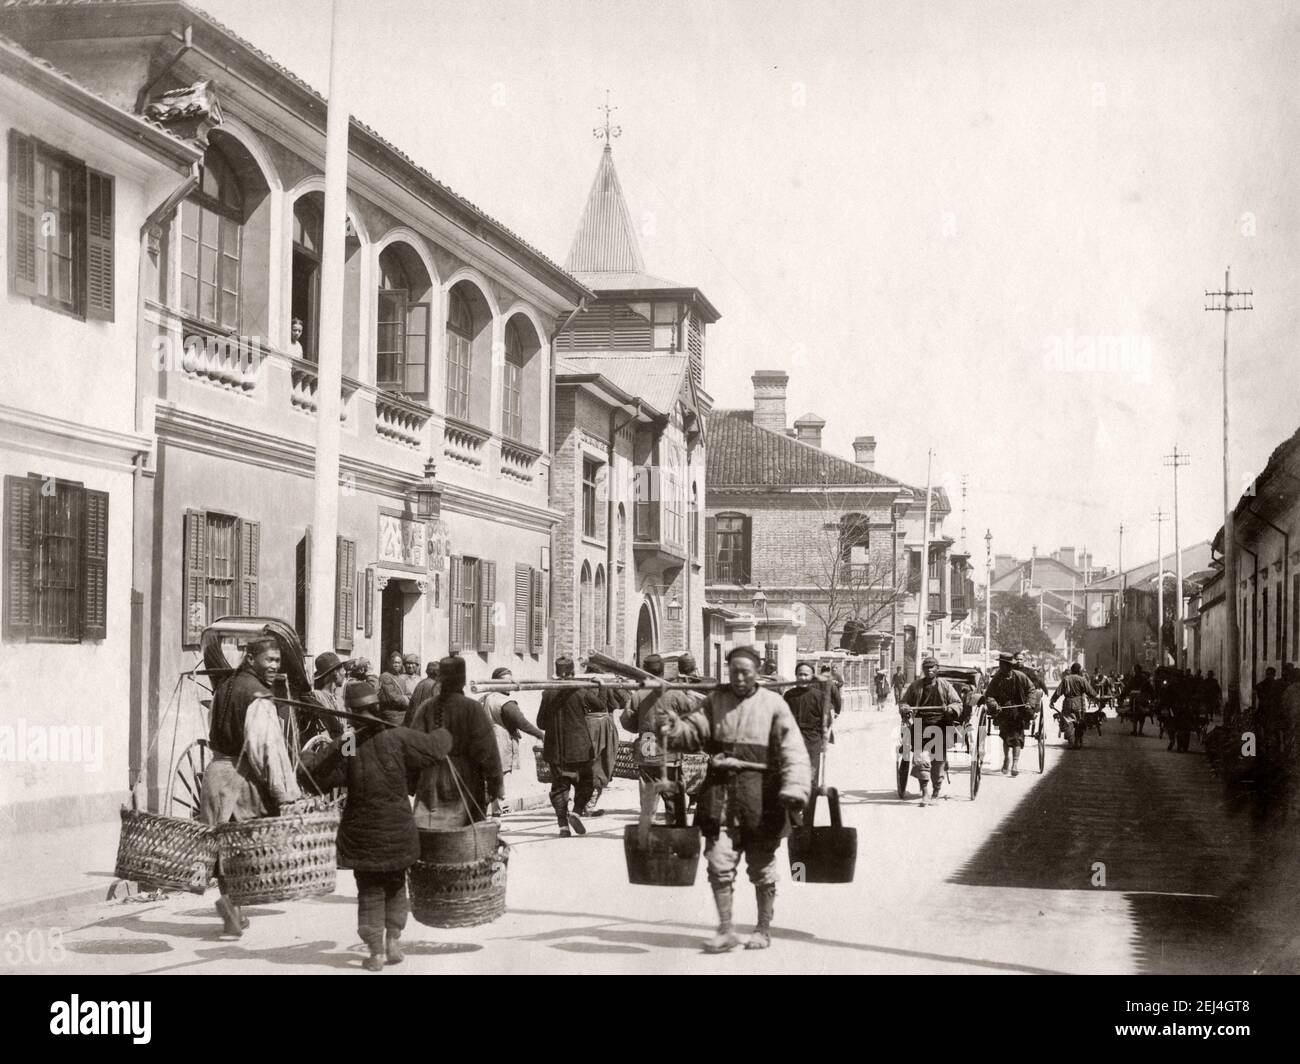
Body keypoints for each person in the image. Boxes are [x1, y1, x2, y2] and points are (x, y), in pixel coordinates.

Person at [654, 645, 810, 952]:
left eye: (745, 673)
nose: (738, 679)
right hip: (720, 795)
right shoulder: (716, 702)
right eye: (733, 672)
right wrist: (673, 728)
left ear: (757, 672)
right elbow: (693, 733)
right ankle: (725, 929)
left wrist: (796, 787)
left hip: (761, 797)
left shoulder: (774, 704)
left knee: (761, 866)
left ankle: (763, 928)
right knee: (718, 863)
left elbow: (794, 752)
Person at [299, 682, 453, 971]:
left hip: (363, 833)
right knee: (395, 884)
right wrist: (444, 729)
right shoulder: (397, 736)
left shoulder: (350, 742)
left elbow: (315, 776)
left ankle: (375, 951)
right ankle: (393, 939)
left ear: (351, 712)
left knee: (369, 889)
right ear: (377, 707)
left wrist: (306, 755)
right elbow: (436, 749)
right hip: (399, 830)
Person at [199, 632, 303, 939]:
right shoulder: (258, 697)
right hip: (240, 780)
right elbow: (266, 748)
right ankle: (232, 908)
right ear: (251, 658)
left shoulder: (222, 688)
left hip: (215, 775)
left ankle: (234, 912)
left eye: (277, 661)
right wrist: (284, 792)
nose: (273, 666)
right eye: (269, 660)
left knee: (222, 848)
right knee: (246, 849)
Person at [408, 656, 503, 827]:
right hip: (466, 781)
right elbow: (488, 751)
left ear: (440, 679)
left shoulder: (426, 707)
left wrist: (412, 782)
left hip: (430, 782)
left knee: (430, 834)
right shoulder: (472, 708)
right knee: (465, 840)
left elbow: (413, 748)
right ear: (463, 681)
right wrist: (495, 785)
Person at [621, 654, 694, 824]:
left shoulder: (639, 694)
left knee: (648, 796)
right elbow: (691, 713)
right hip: (669, 753)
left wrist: (640, 727)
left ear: (644, 671)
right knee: (672, 798)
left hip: (647, 750)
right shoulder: (674, 692)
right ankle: (673, 831)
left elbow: (626, 720)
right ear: (663, 670)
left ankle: (648, 828)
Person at [537, 654, 595, 837]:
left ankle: (563, 826)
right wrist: (597, 686)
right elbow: (601, 705)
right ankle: (577, 812)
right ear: (573, 672)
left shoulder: (547, 693)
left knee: (559, 787)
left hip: (555, 750)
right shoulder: (581, 691)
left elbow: (541, 723)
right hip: (579, 750)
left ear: (556, 672)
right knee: (586, 783)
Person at [899, 656, 964, 806]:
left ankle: (936, 791)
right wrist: (905, 708)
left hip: (940, 723)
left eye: (932, 667)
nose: (929, 670)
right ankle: (925, 792)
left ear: (937, 669)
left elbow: (957, 702)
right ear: (923, 670)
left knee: (938, 760)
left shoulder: (945, 686)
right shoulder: (915, 686)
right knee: (920, 758)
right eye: (926, 668)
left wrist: (951, 709)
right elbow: (903, 702)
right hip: (920, 723)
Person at [480, 666, 545, 815]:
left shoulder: (484, 698)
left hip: (484, 743)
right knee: (499, 782)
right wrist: (539, 734)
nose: (510, 684)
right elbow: (521, 722)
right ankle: (496, 818)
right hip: (501, 744)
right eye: (506, 681)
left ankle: (485, 816)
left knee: (488, 781)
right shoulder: (505, 702)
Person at [979, 652, 1035, 776]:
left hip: (1018, 711)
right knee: (1005, 737)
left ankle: (1015, 764)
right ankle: (1006, 759)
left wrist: (1029, 704)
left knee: (1017, 739)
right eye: (1000, 664)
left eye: (1004, 664)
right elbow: (989, 695)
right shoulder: (997, 679)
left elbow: (1031, 690)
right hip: (1003, 711)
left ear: (1009, 665)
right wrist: (994, 705)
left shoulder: (1020, 676)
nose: (1001, 667)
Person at [784, 662, 832, 786]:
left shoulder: (819, 696)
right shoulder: (789, 696)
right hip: (793, 738)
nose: (803, 678)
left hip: (812, 739)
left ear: (812, 676)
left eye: (806, 675)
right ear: (795, 676)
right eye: (800, 674)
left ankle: (810, 802)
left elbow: (826, 720)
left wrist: (823, 740)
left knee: (811, 773)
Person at [304, 651, 349, 742]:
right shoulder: (317, 698)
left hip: (342, 749)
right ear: (335, 673)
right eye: (342, 669)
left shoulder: (339, 698)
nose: (345, 672)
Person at [1051, 663, 1097, 749]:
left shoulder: (1066, 679)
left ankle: (1071, 742)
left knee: (1068, 722)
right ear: (1079, 670)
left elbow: (1058, 692)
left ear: (1071, 670)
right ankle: (1077, 742)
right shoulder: (1082, 679)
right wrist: (1097, 698)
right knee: (1079, 723)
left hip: (1068, 703)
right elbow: (1090, 691)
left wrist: (1052, 701)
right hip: (1079, 703)